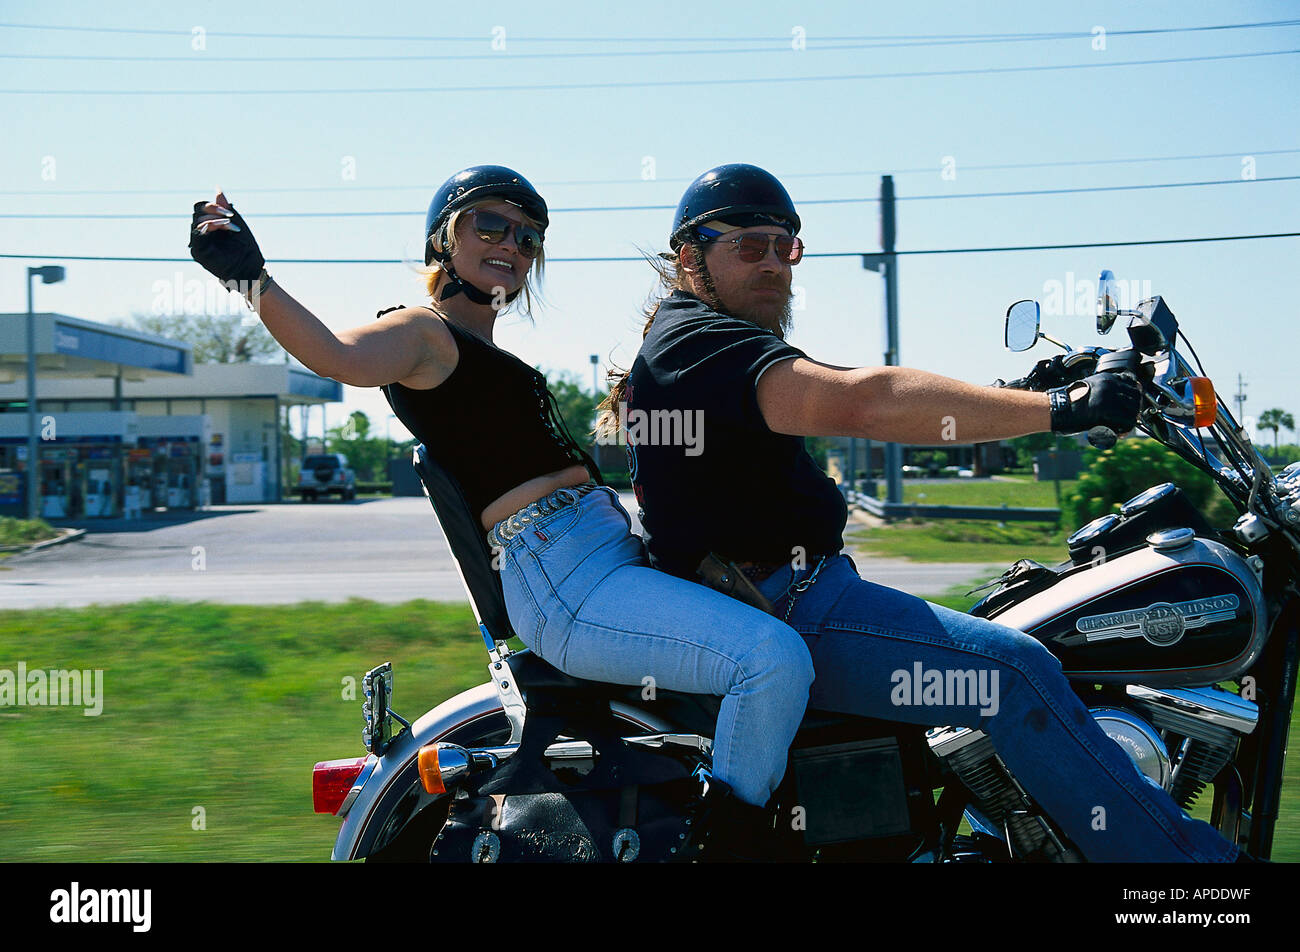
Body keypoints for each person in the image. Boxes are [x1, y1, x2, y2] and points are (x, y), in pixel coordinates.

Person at [599, 162, 1242, 863]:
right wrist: (1061, 410)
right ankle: (1192, 876)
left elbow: (865, 392)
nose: (776, 265)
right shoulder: (696, 343)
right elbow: (864, 400)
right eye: (751, 247)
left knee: (1027, 620)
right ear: (690, 256)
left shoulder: (710, 343)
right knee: (1013, 672)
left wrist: (1017, 392)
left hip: (793, 593)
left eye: (787, 247)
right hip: (782, 605)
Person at [187, 166, 814, 858]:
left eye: (527, 236)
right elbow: (335, 355)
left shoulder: (486, 351)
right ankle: (727, 849)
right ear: (442, 240)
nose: (511, 244)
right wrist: (249, 277)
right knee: (769, 660)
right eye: (489, 225)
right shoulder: (423, 334)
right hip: (567, 581)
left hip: (599, 561)